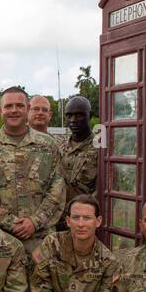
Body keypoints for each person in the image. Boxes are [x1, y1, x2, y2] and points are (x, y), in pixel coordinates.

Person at [0, 86, 65, 255]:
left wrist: (34, 222)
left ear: (28, 109)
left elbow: (57, 191)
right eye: (8, 106)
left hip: (41, 239)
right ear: (1, 110)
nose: (14, 110)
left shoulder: (49, 146)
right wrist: (10, 223)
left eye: (19, 106)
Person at [56, 96, 96, 228]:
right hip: (59, 219)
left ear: (89, 115)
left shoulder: (100, 148)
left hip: (85, 220)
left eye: (79, 115)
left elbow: (105, 188)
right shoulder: (60, 147)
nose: (73, 120)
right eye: (69, 116)